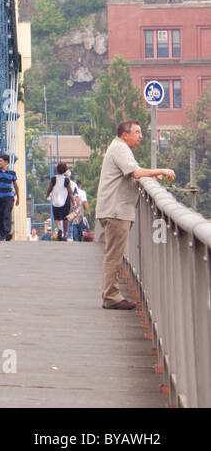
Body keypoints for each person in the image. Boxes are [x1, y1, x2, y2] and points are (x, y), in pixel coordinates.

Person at [96, 120, 175, 310]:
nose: (140, 136)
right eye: (137, 132)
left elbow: (135, 172)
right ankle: (111, 296)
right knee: (114, 255)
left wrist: (150, 174)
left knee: (114, 254)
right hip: (116, 210)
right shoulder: (120, 149)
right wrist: (161, 170)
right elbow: (136, 173)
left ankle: (111, 294)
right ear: (125, 135)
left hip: (117, 209)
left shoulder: (119, 148)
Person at [0, 154, 19, 241]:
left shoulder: (12, 173)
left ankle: (7, 232)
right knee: (0, 216)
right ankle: (2, 234)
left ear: (6, 162)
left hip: (9, 197)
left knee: (7, 214)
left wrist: (18, 198)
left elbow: (16, 185)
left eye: (1, 161)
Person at [47, 163, 74, 241]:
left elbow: (50, 188)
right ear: (65, 171)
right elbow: (70, 192)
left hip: (56, 202)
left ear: (57, 170)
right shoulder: (67, 180)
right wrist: (74, 202)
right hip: (66, 202)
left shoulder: (53, 179)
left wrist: (47, 194)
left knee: (56, 218)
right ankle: (65, 235)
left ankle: (59, 229)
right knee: (65, 218)